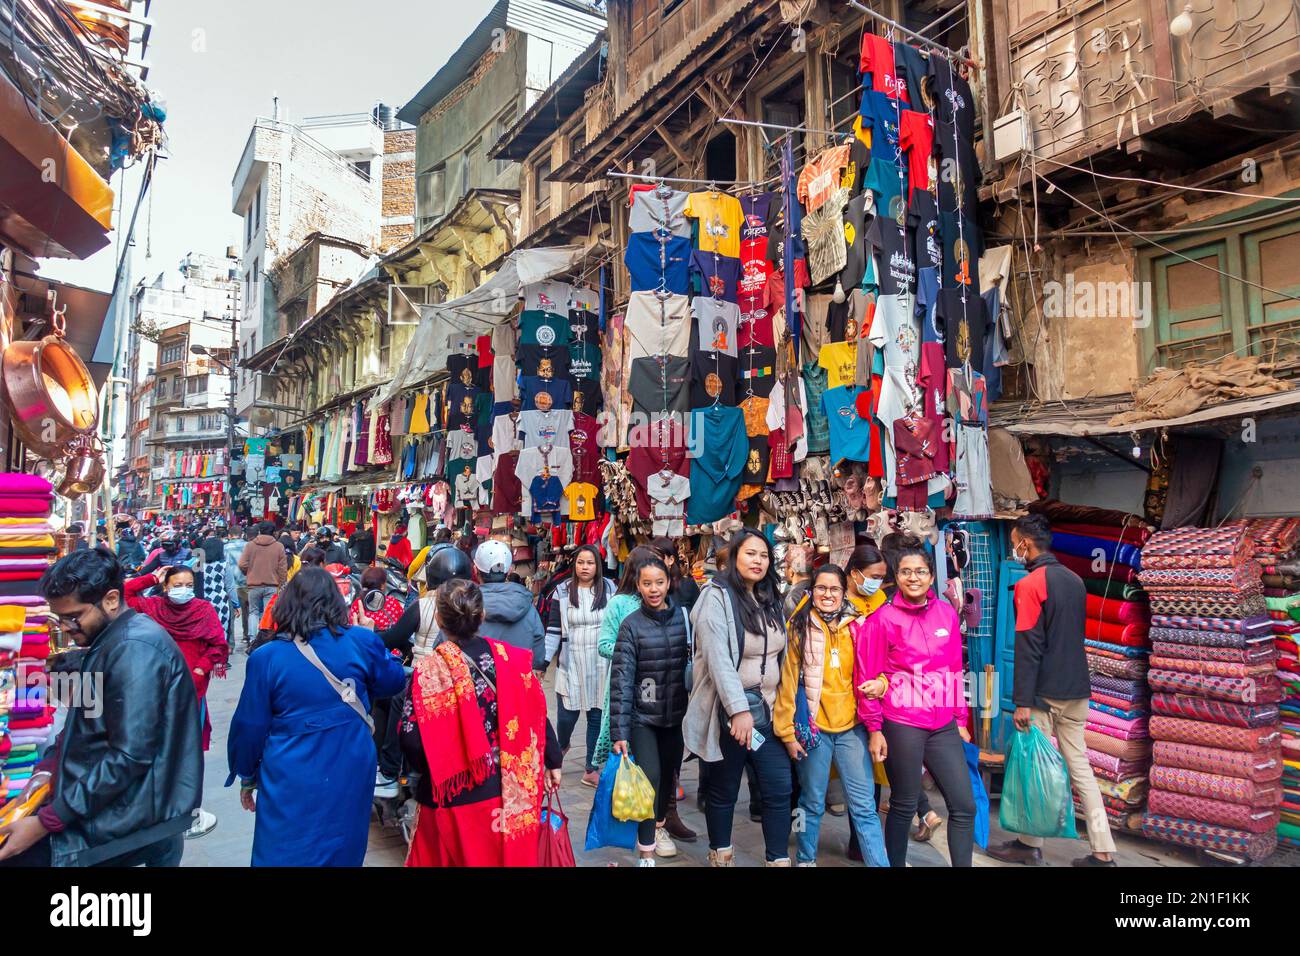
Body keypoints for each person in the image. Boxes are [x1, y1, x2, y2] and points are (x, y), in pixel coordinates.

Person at [0, 550, 201, 867]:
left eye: (73, 617)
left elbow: (129, 756)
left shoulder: (135, 649)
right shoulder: (106, 644)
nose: (66, 628)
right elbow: (80, 729)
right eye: (60, 619)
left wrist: (46, 821)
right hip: (109, 812)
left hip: (130, 824)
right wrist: (45, 772)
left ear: (110, 600)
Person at [227, 566, 405, 866]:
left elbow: (249, 726)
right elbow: (393, 681)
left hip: (292, 767)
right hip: (350, 761)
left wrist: (246, 775)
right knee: (343, 843)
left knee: (284, 848)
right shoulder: (360, 642)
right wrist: (371, 636)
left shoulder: (266, 658)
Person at [401, 580, 563, 866]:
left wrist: (435, 771)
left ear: (438, 618)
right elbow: (535, 711)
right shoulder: (508, 658)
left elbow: (412, 740)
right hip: (507, 790)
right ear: (482, 615)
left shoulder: (430, 670)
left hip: (451, 794)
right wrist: (553, 760)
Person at [987, 514, 1117, 867]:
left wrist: (1023, 703)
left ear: (1024, 545)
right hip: (1078, 690)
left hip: (1045, 695)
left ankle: (1030, 845)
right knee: (1081, 770)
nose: (1015, 549)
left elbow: (1029, 646)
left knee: (1033, 769)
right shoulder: (1075, 580)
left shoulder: (1032, 584)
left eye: (1015, 542)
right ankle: (1103, 852)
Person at [856, 546, 977, 867]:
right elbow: (867, 676)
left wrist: (960, 717)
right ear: (896, 577)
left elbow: (953, 668)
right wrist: (874, 728)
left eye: (920, 571)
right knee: (905, 803)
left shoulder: (946, 614)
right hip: (902, 721)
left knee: (964, 805)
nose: (914, 578)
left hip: (941, 724)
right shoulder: (882, 619)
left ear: (932, 576)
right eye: (906, 572)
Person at [684, 529, 792, 866]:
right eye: (750, 554)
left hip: (768, 713)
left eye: (763, 555)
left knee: (779, 787)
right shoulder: (715, 597)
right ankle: (721, 853)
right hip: (728, 714)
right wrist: (738, 710)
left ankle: (777, 858)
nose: (758, 561)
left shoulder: (771, 597)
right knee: (724, 789)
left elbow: (781, 657)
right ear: (734, 557)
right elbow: (717, 659)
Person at [774, 564, 889, 866]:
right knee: (810, 802)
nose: (828, 594)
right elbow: (787, 681)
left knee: (864, 806)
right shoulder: (798, 627)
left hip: (852, 728)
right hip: (814, 730)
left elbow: (880, 668)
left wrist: (882, 683)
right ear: (812, 592)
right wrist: (786, 732)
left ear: (843, 591)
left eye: (834, 589)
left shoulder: (859, 626)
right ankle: (805, 859)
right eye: (821, 588)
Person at [123, 565, 227, 838]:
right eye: (177, 584)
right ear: (166, 587)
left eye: (189, 584)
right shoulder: (153, 607)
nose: (184, 589)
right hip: (157, 689)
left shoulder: (203, 609)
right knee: (159, 748)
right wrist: (150, 577)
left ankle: (190, 812)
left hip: (193, 691)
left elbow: (218, 645)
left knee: (188, 751)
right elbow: (122, 595)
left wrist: (201, 669)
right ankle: (161, 809)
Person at [609, 556, 691, 865]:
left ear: (669, 582)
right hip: (643, 717)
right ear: (638, 586)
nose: (653, 589)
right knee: (650, 779)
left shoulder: (685, 618)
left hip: (677, 716)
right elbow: (621, 680)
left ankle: (657, 828)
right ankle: (646, 852)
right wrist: (619, 731)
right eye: (647, 584)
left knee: (667, 779)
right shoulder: (631, 625)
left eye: (659, 582)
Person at [543, 544, 614, 788]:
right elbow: (553, 631)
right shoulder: (561, 592)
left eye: (590, 563)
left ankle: (591, 768)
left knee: (596, 714)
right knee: (566, 716)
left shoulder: (611, 590)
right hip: (571, 661)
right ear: (575, 565)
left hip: (601, 663)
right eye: (581, 562)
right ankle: (561, 746)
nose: (585, 567)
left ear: (598, 566)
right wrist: (542, 663)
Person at [592, 546, 661, 771]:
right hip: (625, 681)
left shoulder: (661, 601)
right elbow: (604, 645)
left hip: (656, 683)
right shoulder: (618, 603)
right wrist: (634, 652)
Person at [471, 540, 546, 669]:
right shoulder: (527, 606)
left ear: (475, 569)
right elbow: (538, 651)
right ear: (510, 570)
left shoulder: (464, 605)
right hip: (518, 681)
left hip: (477, 684)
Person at [238, 521, 287, 632]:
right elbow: (283, 569)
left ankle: (252, 637)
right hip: (272, 585)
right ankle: (265, 635)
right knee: (268, 612)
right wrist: (282, 583)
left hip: (254, 585)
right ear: (274, 532)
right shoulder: (279, 546)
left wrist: (249, 572)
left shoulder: (250, 545)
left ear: (259, 531)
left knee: (253, 612)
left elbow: (242, 564)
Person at [651, 536, 700, 611]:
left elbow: (699, 615)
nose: (653, 563)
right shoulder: (649, 588)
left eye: (658, 558)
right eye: (651, 559)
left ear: (671, 560)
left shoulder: (688, 585)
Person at [226, 527, 251, 647]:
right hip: (248, 582)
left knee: (231, 615)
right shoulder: (249, 546)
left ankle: (230, 643)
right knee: (249, 612)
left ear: (229, 535)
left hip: (231, 584)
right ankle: (248, 636)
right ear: (241, 535)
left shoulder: (224, 548)